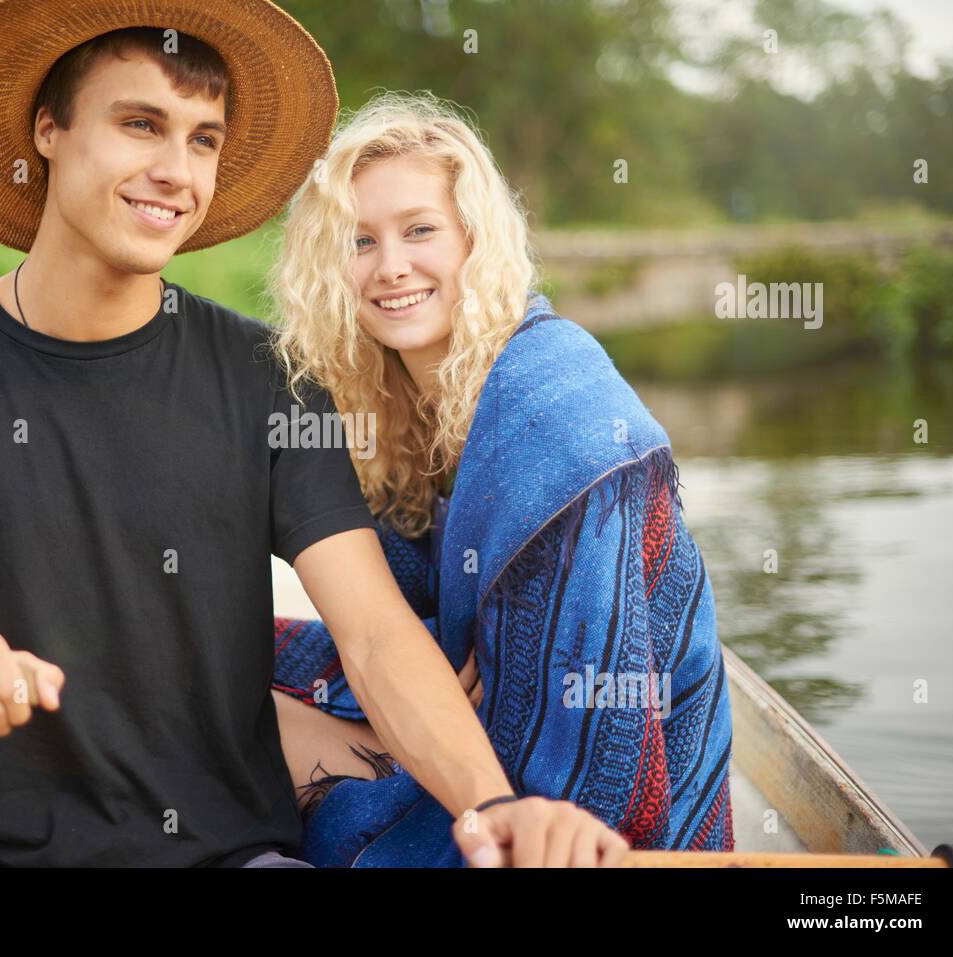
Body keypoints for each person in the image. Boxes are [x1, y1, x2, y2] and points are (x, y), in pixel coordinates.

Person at [0, 0, 628, 868]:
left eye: (203, 140)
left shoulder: (272, 379)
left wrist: (492, 807)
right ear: (48, 130)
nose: (175, 171)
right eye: (141, 124)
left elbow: (374, 633)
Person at [267, 91, 736, 866]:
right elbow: (400, 627)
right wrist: (460, 652)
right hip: (481, 733)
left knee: (240, 741)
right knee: (217, 671)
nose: (391, 267)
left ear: (475, 241)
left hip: (606, 809)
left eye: (420, 230)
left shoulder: (550, 402)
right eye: (359, 242)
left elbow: (601, 738)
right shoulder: (395, 409)